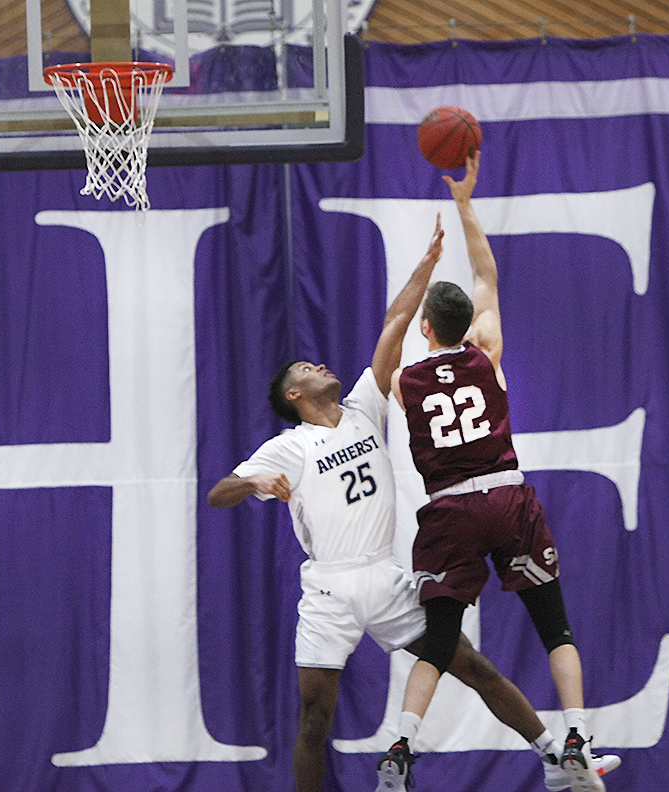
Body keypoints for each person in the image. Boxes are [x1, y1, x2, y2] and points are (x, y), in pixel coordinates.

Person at [208, 215, 619, 792]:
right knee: (315, 714)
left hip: (383, 573)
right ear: (294, 395)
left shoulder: (365, 404)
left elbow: (396, 323)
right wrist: (254, 484)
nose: (320, 365)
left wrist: (425, 266)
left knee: (469, 663)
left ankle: (553, 753)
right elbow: (217, 492)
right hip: (328, 587)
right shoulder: (288, 448)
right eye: (307, 369)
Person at [381, 151, 615, 792]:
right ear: (466, 325)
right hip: (507, 499)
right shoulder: (488, 348)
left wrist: (417, 279)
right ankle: (575, 738)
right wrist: (464, 204)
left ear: (427, 328)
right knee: (554, 623)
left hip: (451, 510)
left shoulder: (405, 378)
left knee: (439, 639)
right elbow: (486, 272)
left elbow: (390, 334)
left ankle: (401, 749)